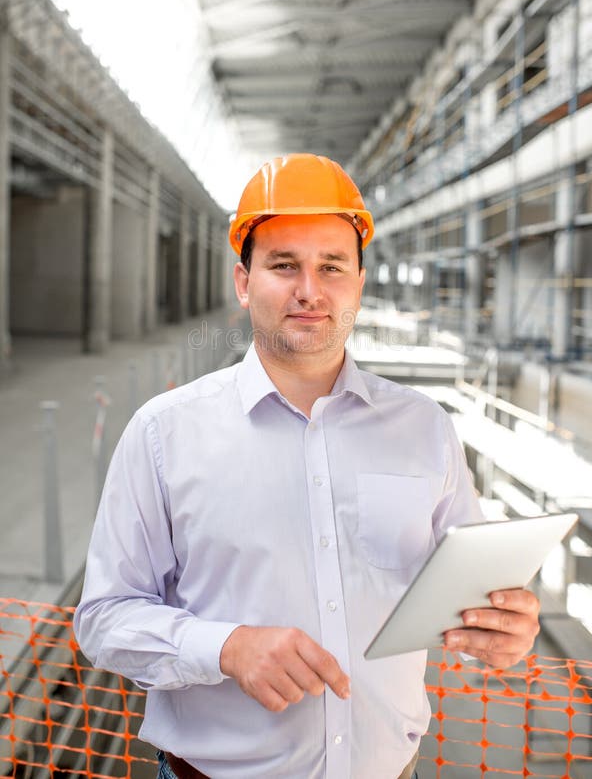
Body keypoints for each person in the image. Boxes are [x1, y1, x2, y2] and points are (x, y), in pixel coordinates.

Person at [74, 153, 540, 779]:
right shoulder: (164, 433)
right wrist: (227, 648)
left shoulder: (425, 429)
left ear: (359, 282)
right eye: (284, 265)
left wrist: (504, 625)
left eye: (332, 266)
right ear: (244, 282)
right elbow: (103, 619)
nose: (310, 291)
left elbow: (470, 592)